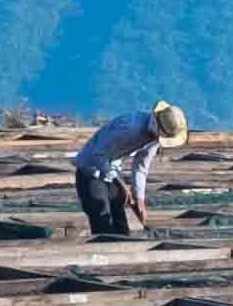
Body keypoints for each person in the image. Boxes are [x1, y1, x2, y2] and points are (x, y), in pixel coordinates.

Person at [74, 100, 188, 237]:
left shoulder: (154, 138)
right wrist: (121, 184)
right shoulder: (128, 128)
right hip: (90, 168)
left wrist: (140, 201)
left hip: (111, 170)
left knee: (120, 214)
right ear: (156, 124)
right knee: (101, 215)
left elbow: (141, 168)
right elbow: (98, 155)